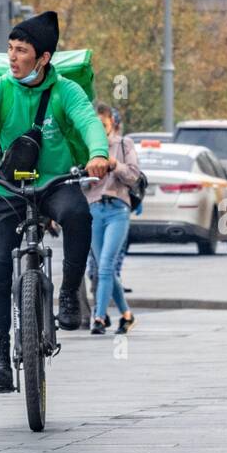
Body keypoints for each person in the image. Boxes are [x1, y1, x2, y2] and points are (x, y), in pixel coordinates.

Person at [0, 11, 111, 392]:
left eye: (22, 50)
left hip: (54, 183)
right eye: (10, 48)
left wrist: (98, 154)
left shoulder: (66, 91)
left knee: (78, 215)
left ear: (44, 58)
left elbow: (88, 122)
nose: (12, 57)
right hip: (7, 188)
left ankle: (69, 294)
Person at [84, 103, 141, 335]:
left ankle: (99, 317)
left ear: (112, 124)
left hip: (117, 209)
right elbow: (78, 183)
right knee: (102, 267)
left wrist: (115, 165)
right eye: (95, 125)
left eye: (104, 124)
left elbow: (134, 175)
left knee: (107, 264)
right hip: (94, 209)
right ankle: (127, 315)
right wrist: (87, 174)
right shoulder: (85, 147)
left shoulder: (124, 144)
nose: (100, 130)